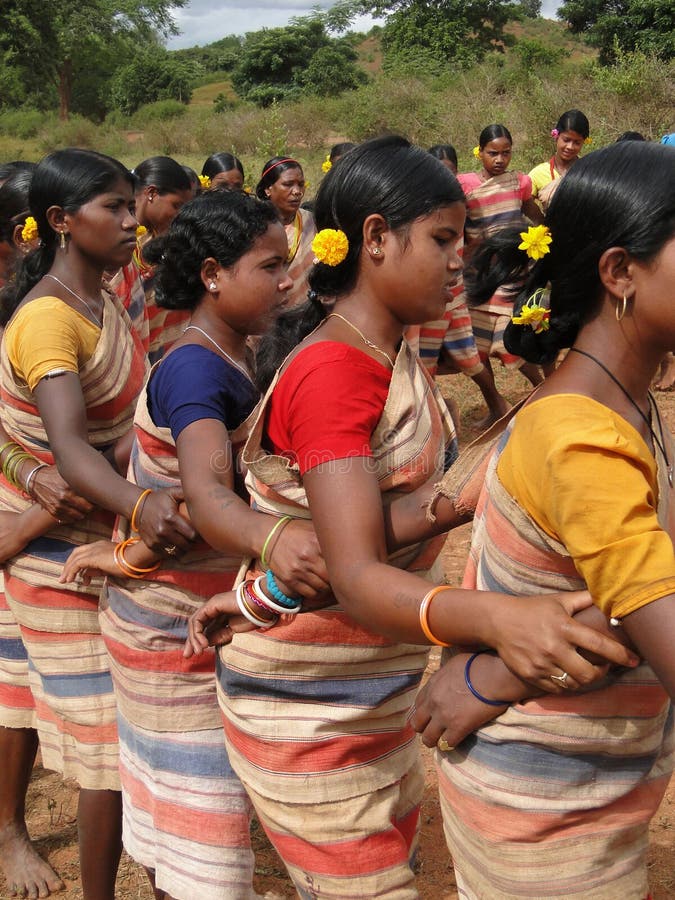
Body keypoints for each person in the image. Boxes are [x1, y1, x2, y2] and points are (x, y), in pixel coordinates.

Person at [187, 136, 635, 899]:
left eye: (461, 239)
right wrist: (499, 619)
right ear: (374, 238)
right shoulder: (335, 372)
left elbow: (341, 539)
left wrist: (446, 505)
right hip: (308, 705)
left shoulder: (381, 352)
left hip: (368, 688)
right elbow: (352, 566)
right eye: (440, 239)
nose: (459, 258)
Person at [415, 140, 675, 899]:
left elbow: (640, 578)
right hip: (550, 811)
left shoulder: (611, 399)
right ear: (619, 273)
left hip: (570, 784)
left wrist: (496, 670)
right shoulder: (582, 437)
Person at [59, 189, 329, 900]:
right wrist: (277, 536)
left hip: (199, 610)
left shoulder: (239, 353)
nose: (284, 281)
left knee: (187, 804)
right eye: (269, 266)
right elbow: (203, 505)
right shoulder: (196, 369)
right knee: (195, 812)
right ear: (212, 274)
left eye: (287, 265)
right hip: (167, 625)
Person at [0, 147, 196, 899]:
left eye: (129, 205)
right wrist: (142, 502)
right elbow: (71, 448)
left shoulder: (104, 299)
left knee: (117, 736)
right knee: (107, 746)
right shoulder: (50, 320)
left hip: (99, 536)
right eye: (112, 208)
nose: (129, 220)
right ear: (60, 222)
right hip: (59, 556)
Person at [458, 124, 544, 417]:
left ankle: (542, 387)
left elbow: (537, 218)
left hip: (511, 274)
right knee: (479, 347)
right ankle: (496, 406)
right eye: (493, 153)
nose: (499, 160)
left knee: (508, 340)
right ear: (480, 152)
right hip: (480, 274)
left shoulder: (518, 184)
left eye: (506, 153)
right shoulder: (466, 186)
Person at [132, 156, 195, 362]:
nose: (179, 215)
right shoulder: (121, 242)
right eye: (176, 205)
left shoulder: (163, 236)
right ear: (151, 193)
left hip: (165, 353)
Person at [255, 156, 316, 307]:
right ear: (268, 189)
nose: (297, 192)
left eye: (301, 185)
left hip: (307, 311)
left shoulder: (311, 221)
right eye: (288, 184)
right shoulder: (253, 225)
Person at [529, 109, 590, 213]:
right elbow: (525, 207)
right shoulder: (538, 174)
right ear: (556, 136)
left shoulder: (589, 171)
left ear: (584, 142)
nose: (570, 147)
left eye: (577, 143)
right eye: (566, 140)